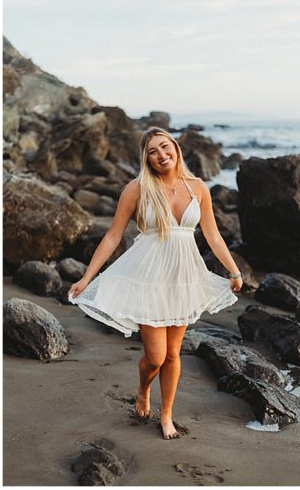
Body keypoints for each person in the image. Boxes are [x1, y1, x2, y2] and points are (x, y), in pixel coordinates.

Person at [69, 127, 243, 439]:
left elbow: (212, 234)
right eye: (153, 151)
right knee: (156, 357)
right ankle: (143, 389)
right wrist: (87, 276)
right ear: (146, 158)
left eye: (165, 147)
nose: (162, 155)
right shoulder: (136, 190)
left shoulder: (197, 187)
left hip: (183, 278)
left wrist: (233, 270)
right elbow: (113, 236)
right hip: (147, 278)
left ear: (176, 148)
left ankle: (166, 416)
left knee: (174, 355)